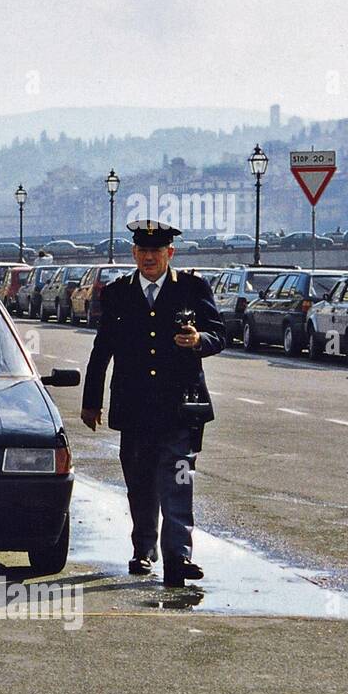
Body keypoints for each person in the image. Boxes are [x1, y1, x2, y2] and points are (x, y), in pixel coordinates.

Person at [80, 219, 225, 587]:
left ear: (169, 254)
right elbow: (102, 351)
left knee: (178, 480)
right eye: (142, 251)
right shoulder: (117, 294)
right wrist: (91, 401)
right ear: (134, 254)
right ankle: (144, 548)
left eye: (155, 251)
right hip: (134, 408)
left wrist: (199, 341)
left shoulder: (192, 288)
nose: (148, 257)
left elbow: (220, 334)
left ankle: (179, 556)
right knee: (140, 483)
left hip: (180, 408)